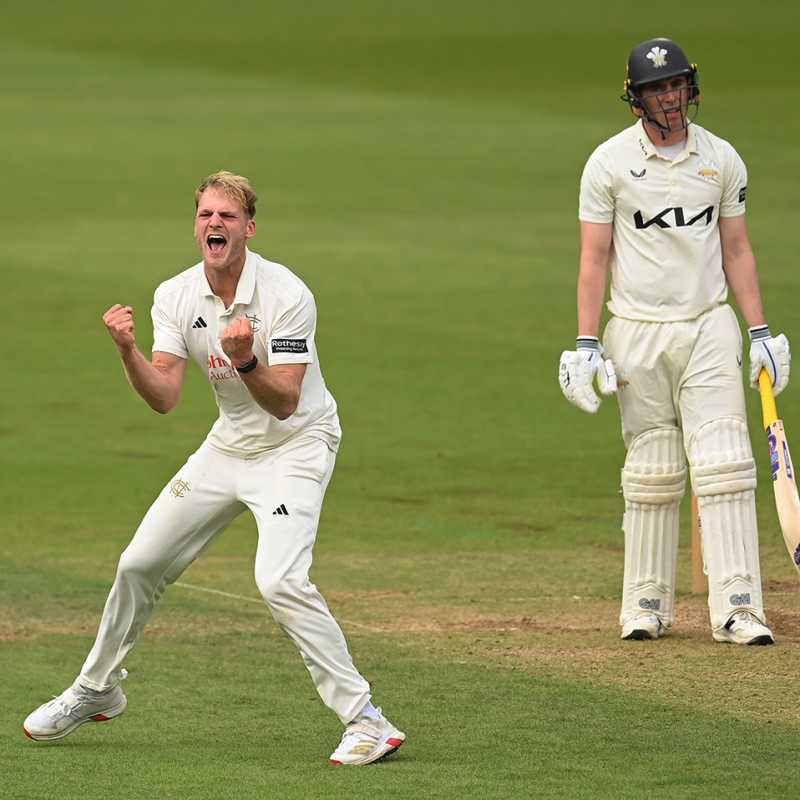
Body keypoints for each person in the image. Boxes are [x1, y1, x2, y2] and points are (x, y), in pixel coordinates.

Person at [23, 171, 405, 765]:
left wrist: (245, 359)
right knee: (139, 562)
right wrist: (127, 351)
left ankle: (366, 719)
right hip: (227, 448)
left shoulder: (288, 294)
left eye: (227, 216)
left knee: (279, 580)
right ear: (196, 226)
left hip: (296, 446)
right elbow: (165, 396)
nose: (214, 224)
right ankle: (97, 689)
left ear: (249, 228)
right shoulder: (175, 295)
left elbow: (285, 402)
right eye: (205, 215)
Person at [558, 38, 791, 644]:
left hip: (709, 324)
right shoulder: (608, 164)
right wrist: (585, 345)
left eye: (677, 85)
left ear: (691, 87)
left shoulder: (721, 159)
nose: (670, 98)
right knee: (654, 468)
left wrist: (760, 331)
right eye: (657, 89)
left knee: (726, 463)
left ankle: (739, 606)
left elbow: (736, 249)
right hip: (634, 330)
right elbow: (594, 257)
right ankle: (645, 606)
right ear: (636, 100)